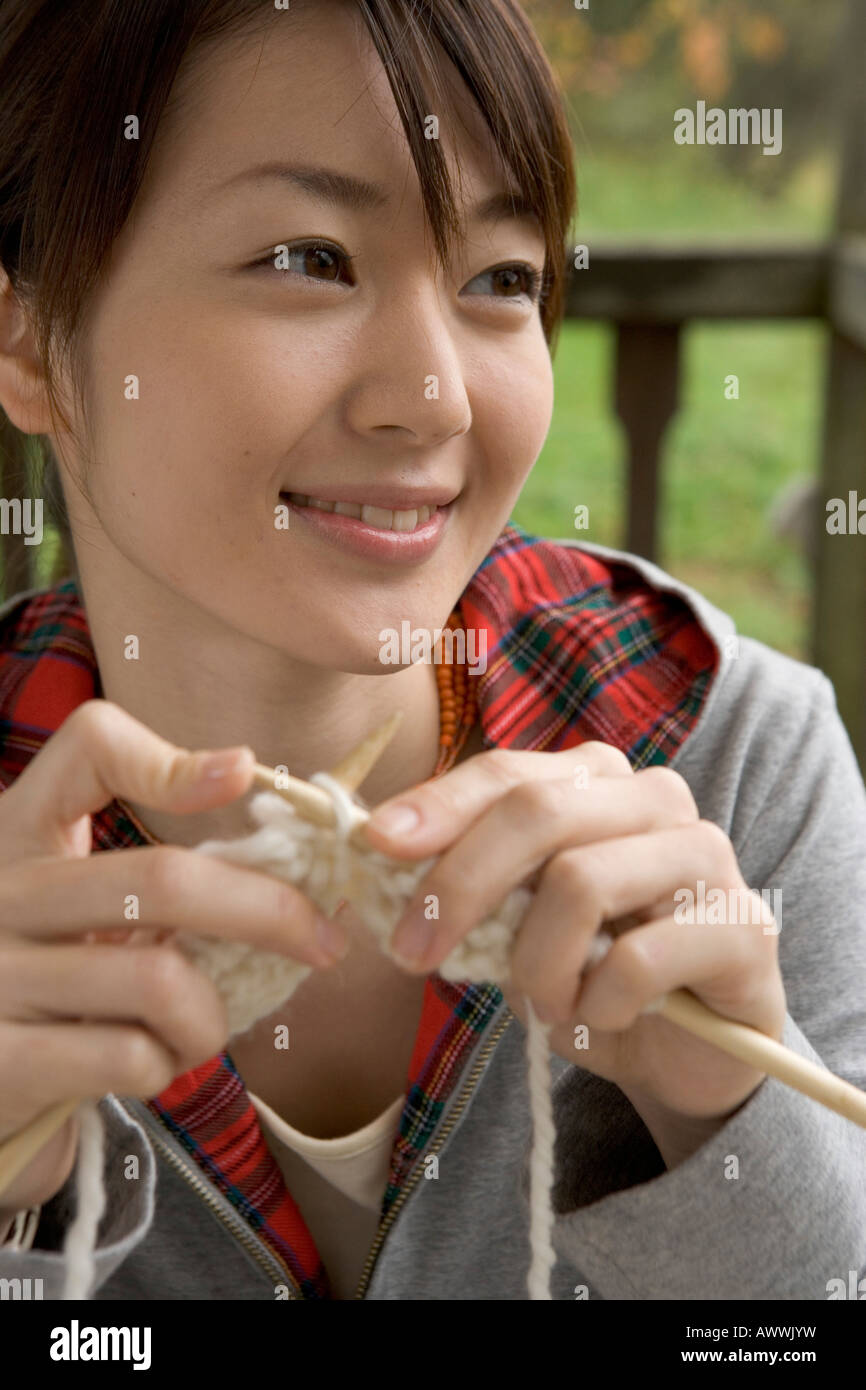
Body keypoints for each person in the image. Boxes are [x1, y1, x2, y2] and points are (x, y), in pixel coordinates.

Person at [0, 0, 863, 1302]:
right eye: (308, 256)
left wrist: (724, 1114)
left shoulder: (732, 754)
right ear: (27, 340)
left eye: (500, 281)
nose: (437, 395)